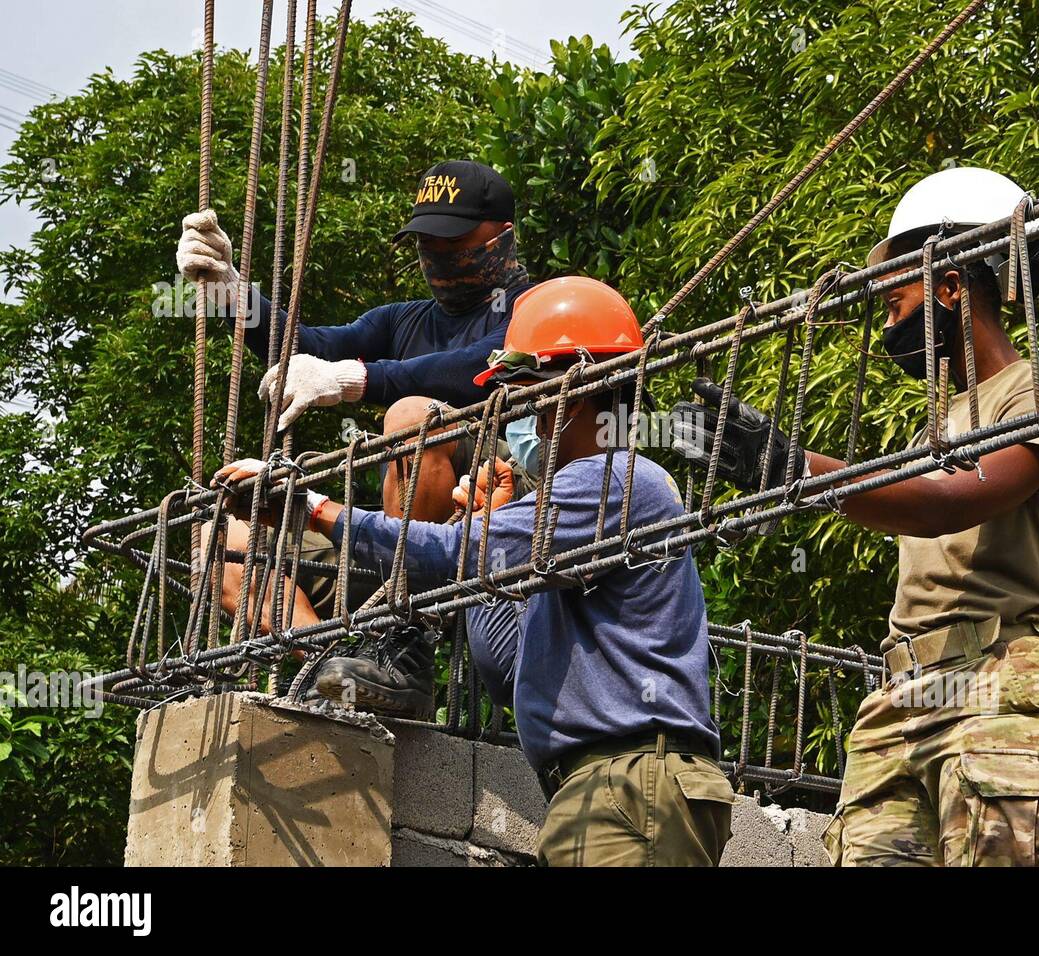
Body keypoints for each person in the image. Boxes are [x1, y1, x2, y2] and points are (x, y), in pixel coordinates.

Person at [214, 276, 734, 867]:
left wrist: (314, 509)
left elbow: (441, 552)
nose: (522, 418)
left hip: (634, 782)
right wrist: (489, 557)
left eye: (529, 396)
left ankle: (393, 647)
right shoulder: (562, 519)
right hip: (598, 787)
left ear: (580, 390)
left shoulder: (614, 481)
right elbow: (507, 665)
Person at [671, 167, 1039, 867]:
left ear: (951, 285)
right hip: (902, 695)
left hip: (1001, 680)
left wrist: (789, 467)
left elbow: (943, 505)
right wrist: (780, 473)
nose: (891, 322)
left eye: (898, 299)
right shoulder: (933, 425)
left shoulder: (1035, 397)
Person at [177, 160, 534, 629]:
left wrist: (356, 379)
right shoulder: (401, 320)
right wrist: (232, 292)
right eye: (427, 243)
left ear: (502, 237)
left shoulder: (540, 307)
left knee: (412, 418)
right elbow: (309, 347)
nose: (437, 255)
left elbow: (476, 367)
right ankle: (321, 670)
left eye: (453, 242)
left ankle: (406, 635)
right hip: (395, 540)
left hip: (503, 509)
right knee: (223, 539)